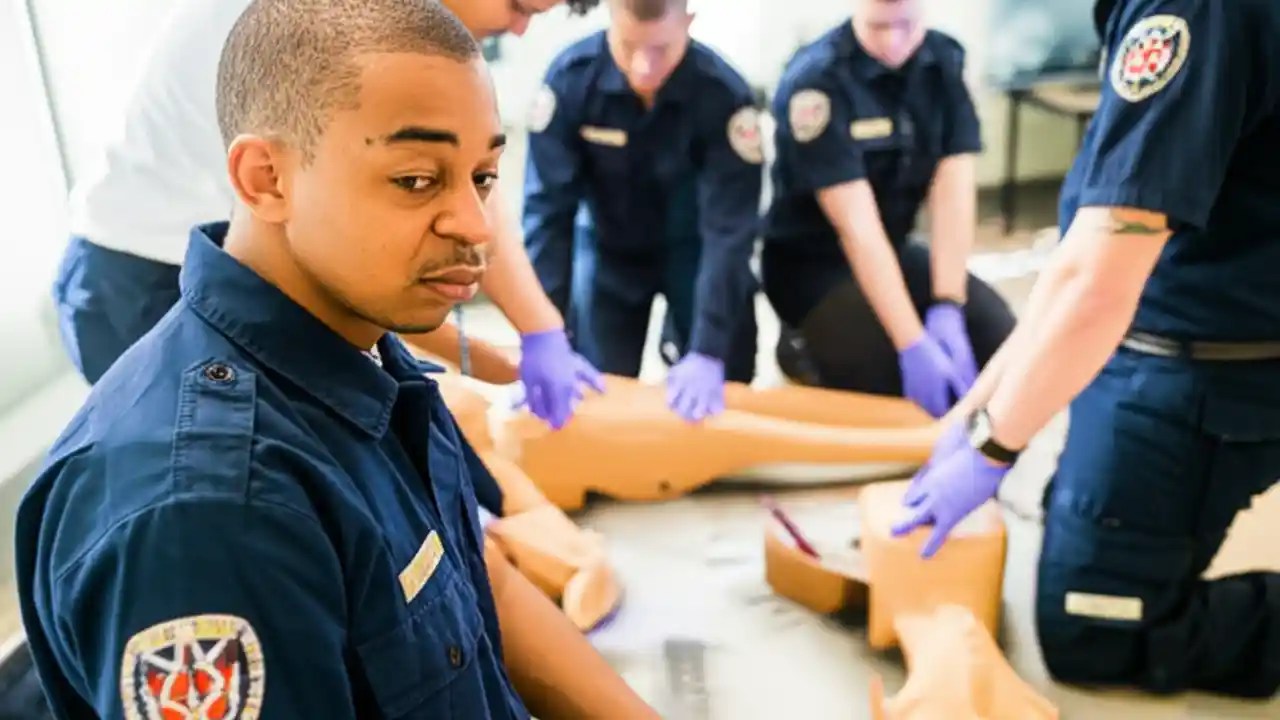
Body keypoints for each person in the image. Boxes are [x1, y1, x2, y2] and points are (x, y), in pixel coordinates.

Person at [16, 2, 659, 717]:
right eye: (417, 179)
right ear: (266, 178)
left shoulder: (369, 357)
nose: (476, 224)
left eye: (482, 176)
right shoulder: (213, 512)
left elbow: (472, 586)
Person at [894, 0, 1280, 699]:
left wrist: (994, 449)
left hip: (1206, 364)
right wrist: (979, 414)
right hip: (1148, 324)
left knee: (1095, 632)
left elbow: (1103, 271)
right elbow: (1083, 251)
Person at [53, 0, 603, 432]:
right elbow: (350, 277)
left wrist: (539, 332)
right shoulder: (332, 33)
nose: (521, 30)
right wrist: (488, 356)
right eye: (519, 7)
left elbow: (450, 187)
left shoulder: (392, 44)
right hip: (141, 273)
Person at [760, 0, 1015, 419]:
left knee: (999, 341)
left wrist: (947, 305)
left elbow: (953, 192)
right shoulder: (817, 82)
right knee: (884, 374)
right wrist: (911, 342)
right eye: (880, 28)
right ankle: (801, 350)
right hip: (812, 265)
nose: (894, 42)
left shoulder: (943, 61)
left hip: (894, 247)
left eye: (905, 25)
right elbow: (857, 229)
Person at [523, 0, 764, 423]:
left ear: (688, 24)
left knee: (730, 382)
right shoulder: (570, 82)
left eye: (661, 50)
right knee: (595, 393)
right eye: (630, 46)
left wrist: (707, 349)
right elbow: (547, 218)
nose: (643, 68)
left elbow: (729, 231)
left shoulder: (723, 94)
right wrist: (544, 332)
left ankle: (690, 343)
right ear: (611, 19)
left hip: (695, 252)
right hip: (608, 250)